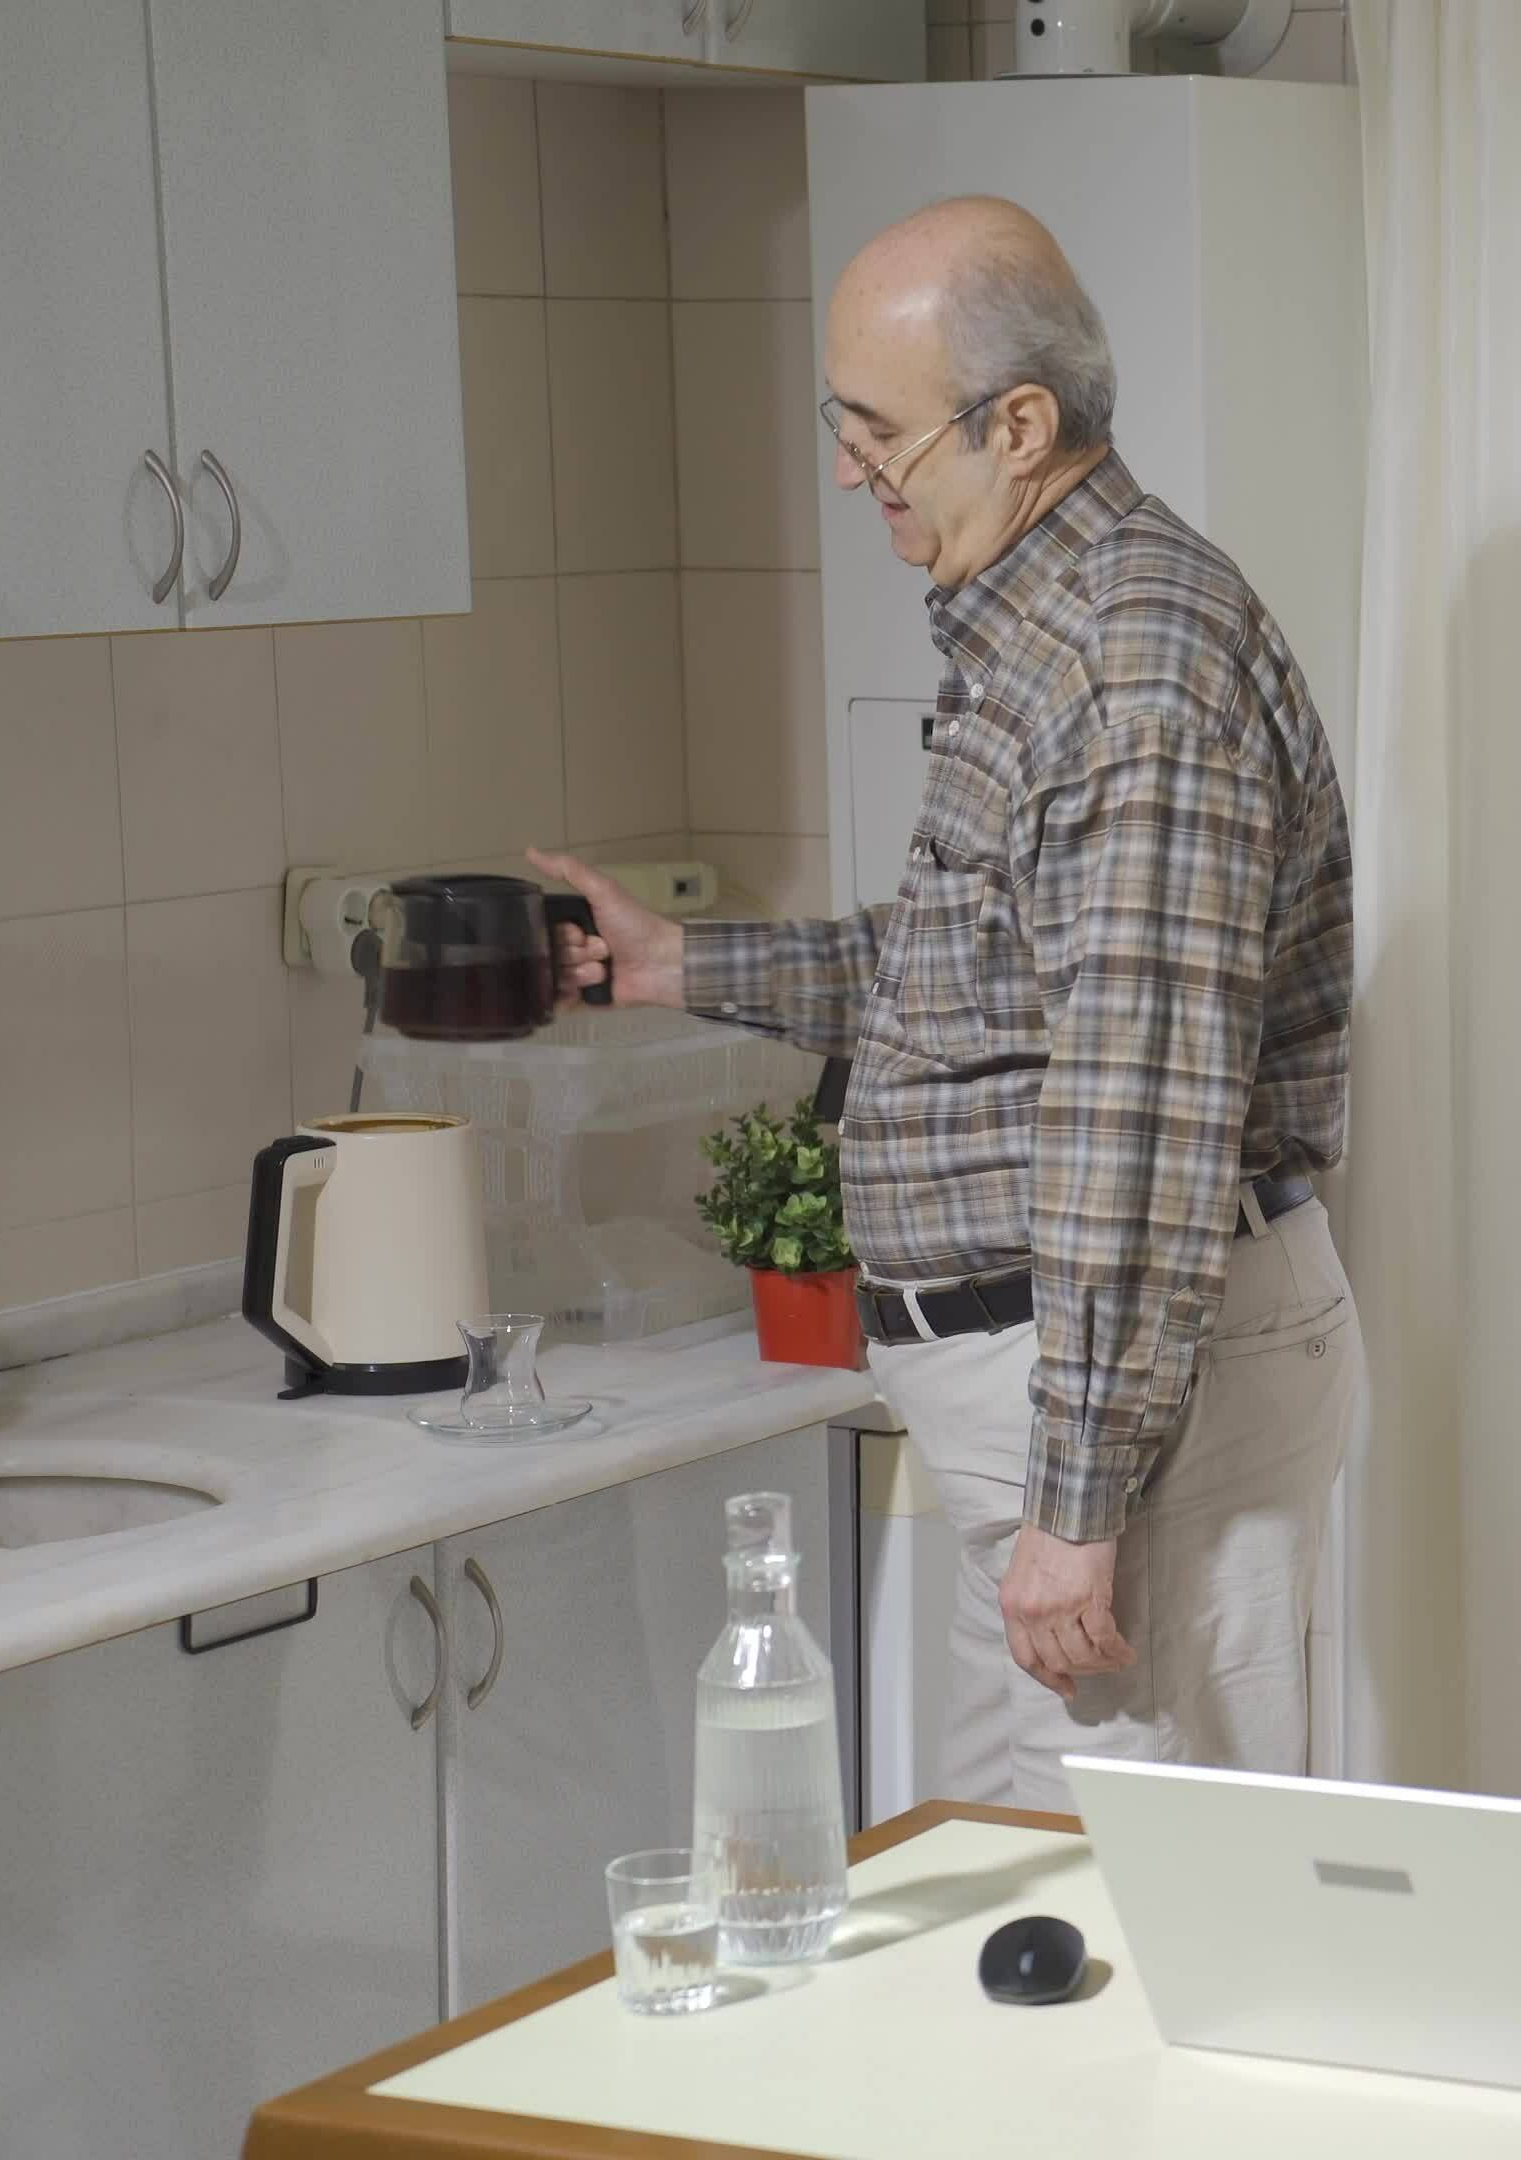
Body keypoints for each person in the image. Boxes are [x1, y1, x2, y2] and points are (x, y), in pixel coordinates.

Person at [533, 196, 1359, 1813]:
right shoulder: (1048, 636)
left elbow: (1139, 1115)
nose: (854, 471)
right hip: (1076, 1424)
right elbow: (971, 978)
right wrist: (679, 965)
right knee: (1043, 1904)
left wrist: (1083, 1498)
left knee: (1148, 1926)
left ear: (1021, 425)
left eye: (877, 430)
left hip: (1133, 1431)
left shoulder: (1132, 671)